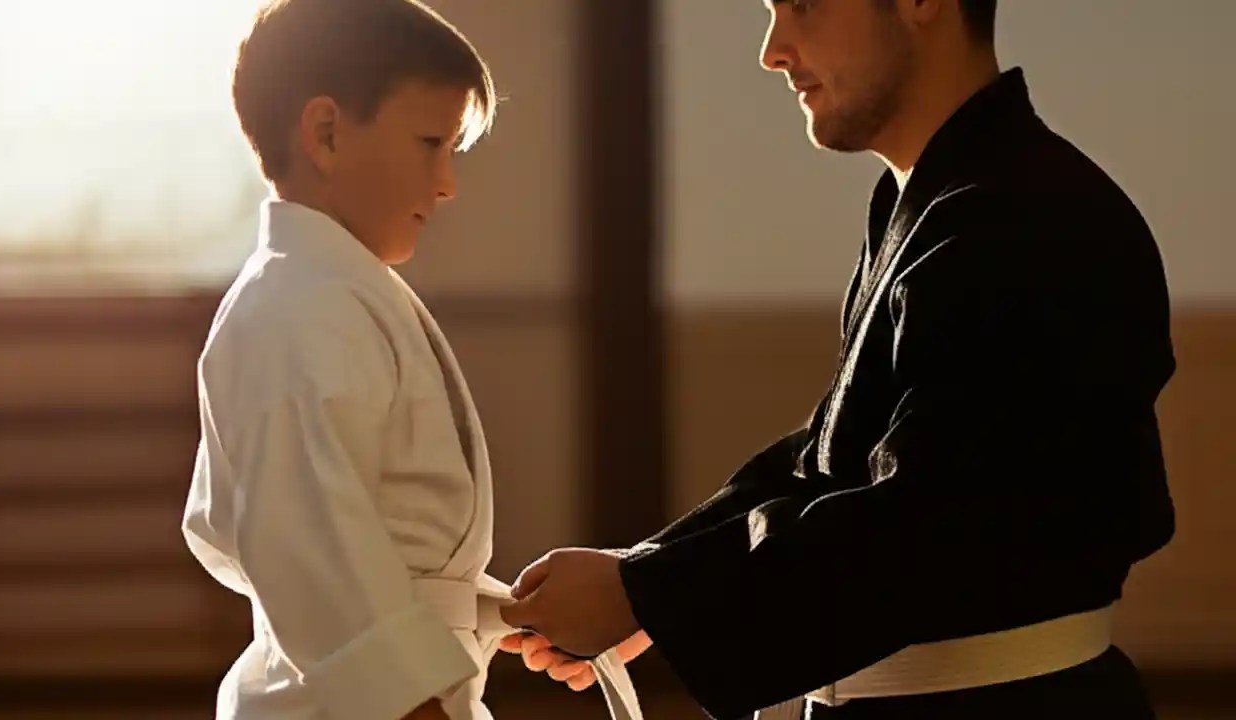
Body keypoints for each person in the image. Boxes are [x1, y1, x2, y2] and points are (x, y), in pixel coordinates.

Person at [500, 1, 1176, 718]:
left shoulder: (1031, 219)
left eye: (804, 5)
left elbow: (927, 521)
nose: (773, 50)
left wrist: (650, 591)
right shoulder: (935, 200)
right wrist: (644, 578)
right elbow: (831, 457)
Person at [180, 1, 512, 718]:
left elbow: (372, 539)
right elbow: (309, 547)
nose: (448, 183)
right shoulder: (295, 306)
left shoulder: (333, 291)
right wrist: (404, 699)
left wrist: (483, 608)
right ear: (326, 133)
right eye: (431, 144)